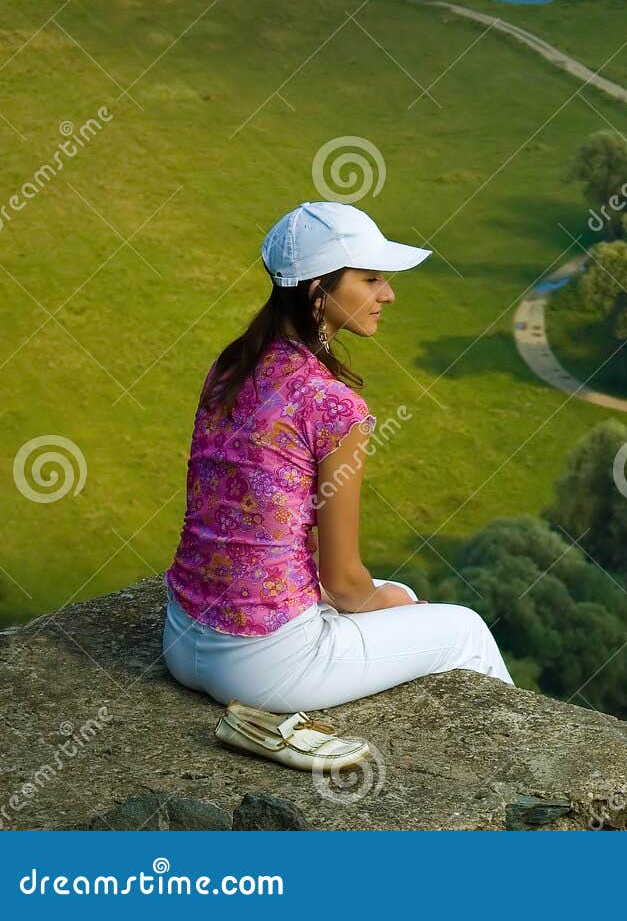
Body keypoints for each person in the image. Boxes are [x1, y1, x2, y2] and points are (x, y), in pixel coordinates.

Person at [162, 201, 513, 768]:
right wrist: (385, 599)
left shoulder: (232, 365)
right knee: (464, 629)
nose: (389, 294)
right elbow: (345, 583)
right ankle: (527, 790)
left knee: (395, 596)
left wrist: (381, 596)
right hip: (264, 664)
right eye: (371, 279)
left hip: (184, 636)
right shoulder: (333, 404)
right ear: (316, 289)